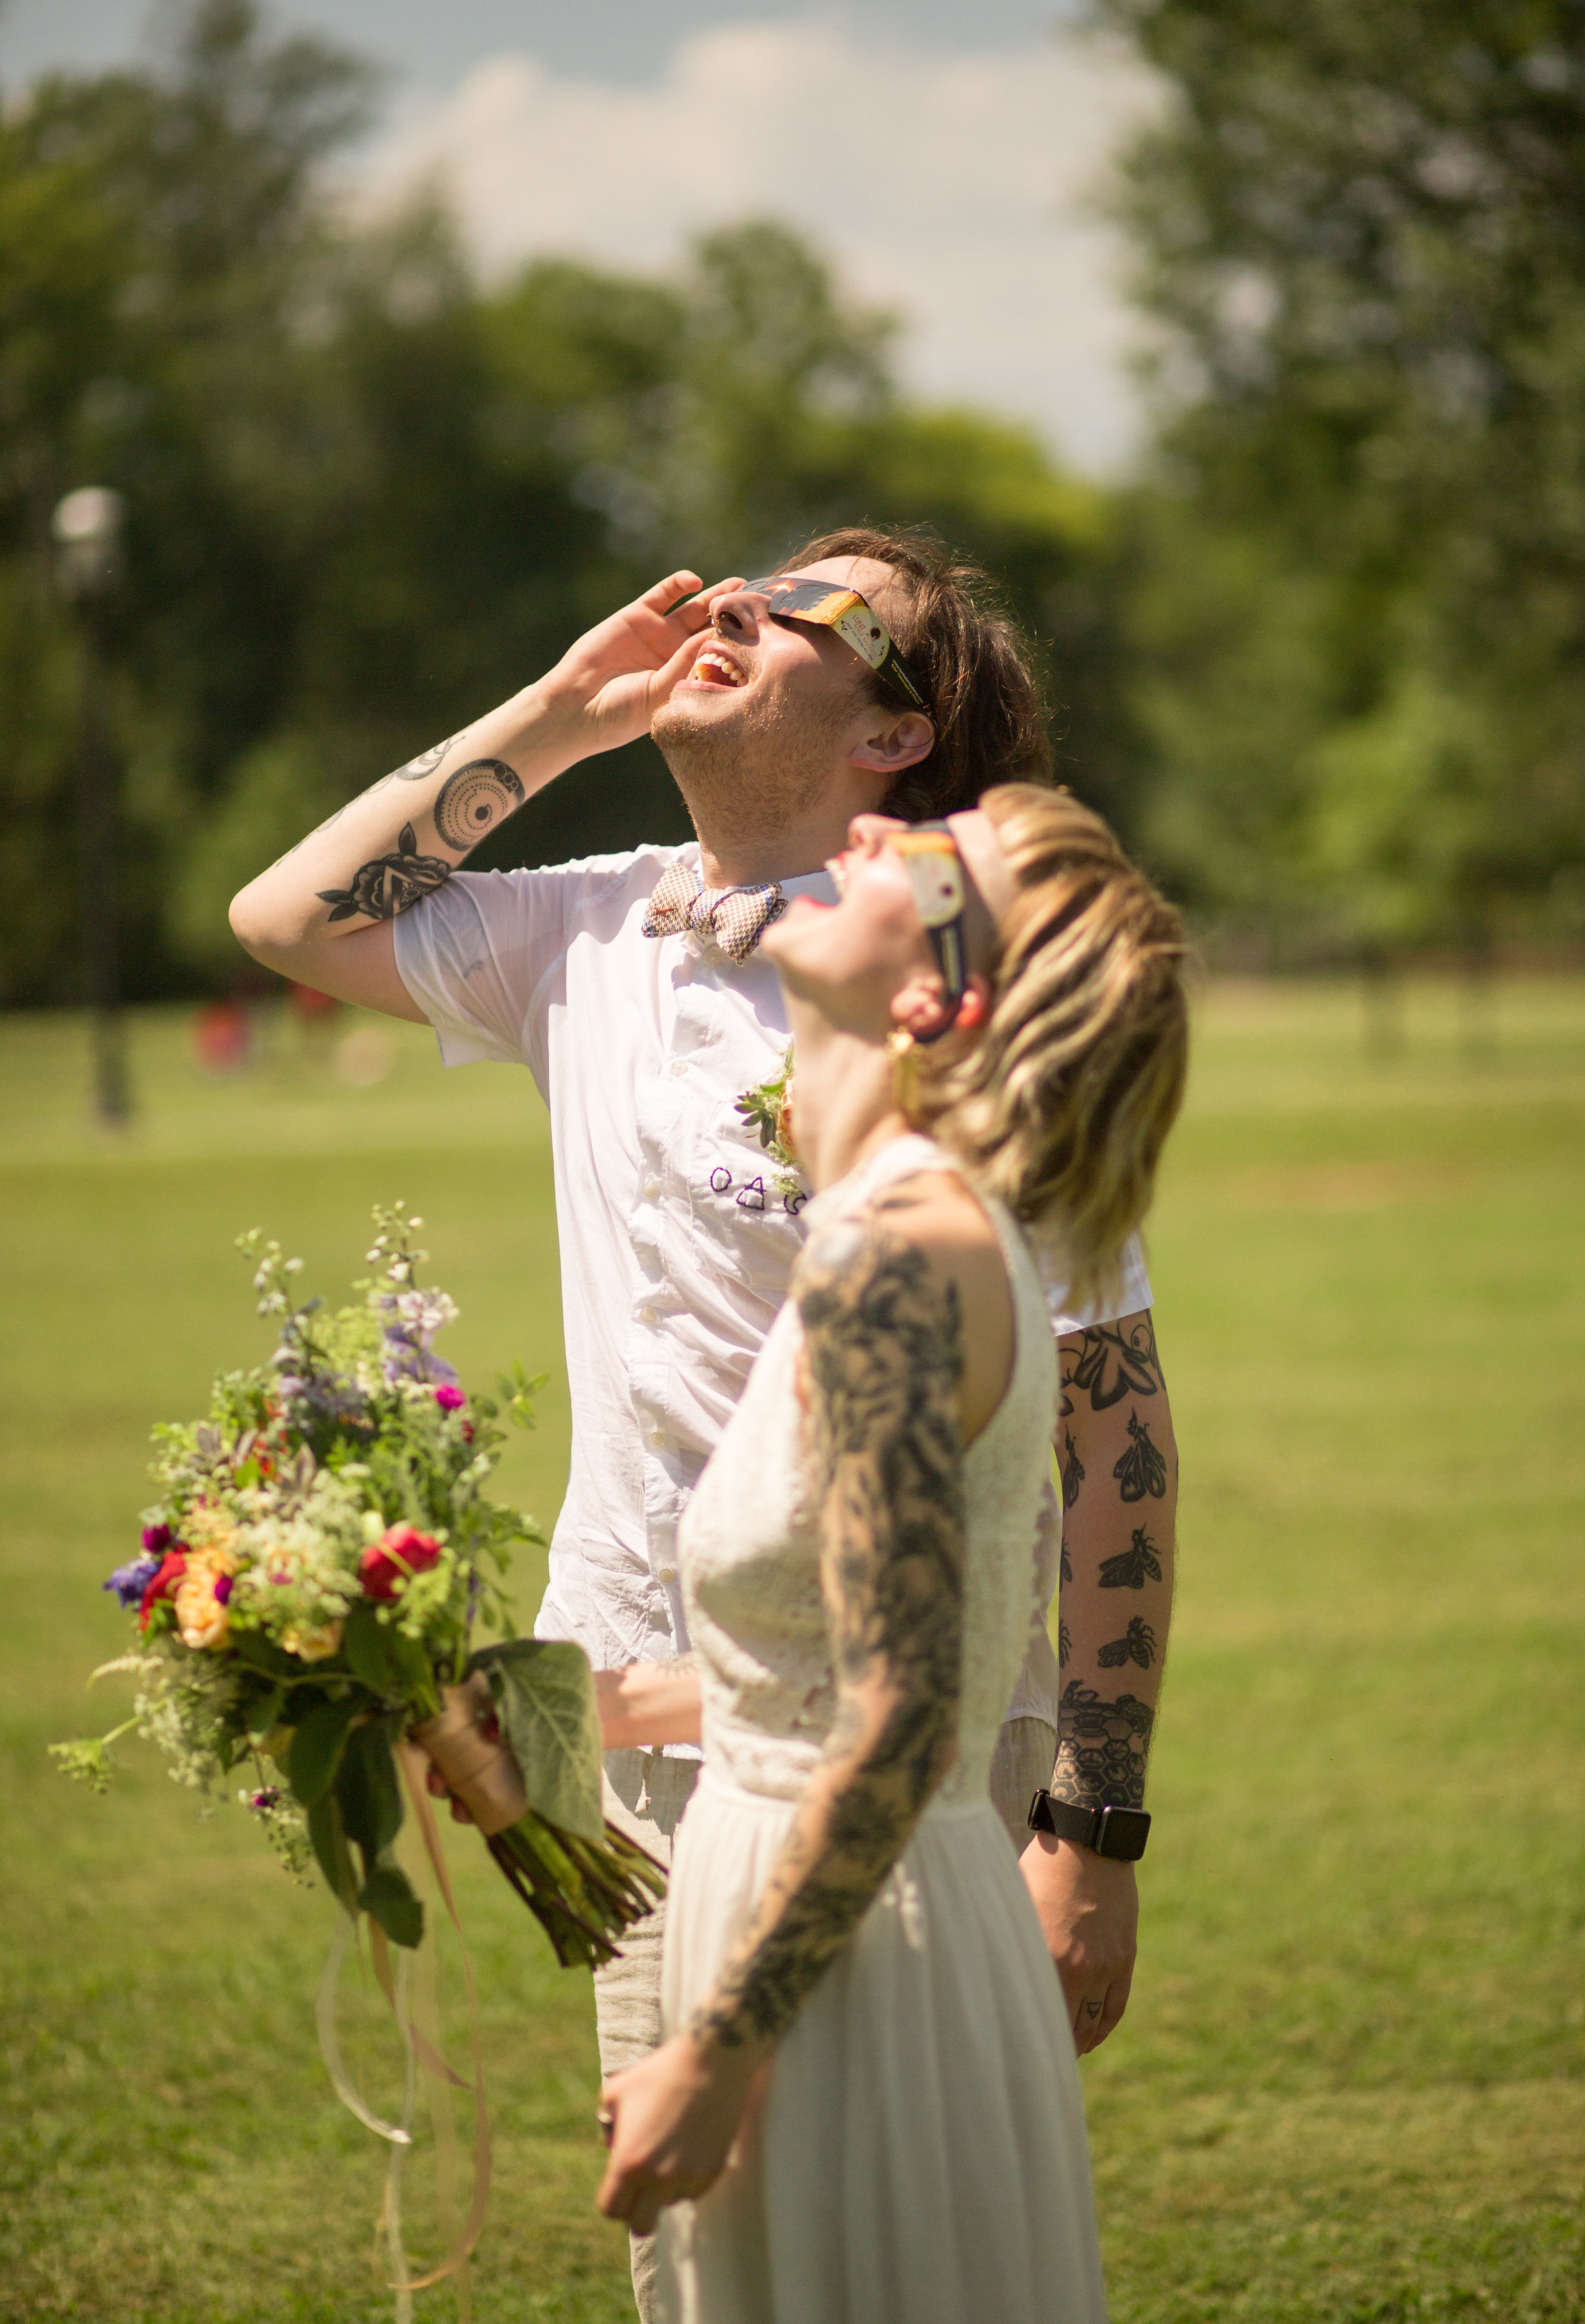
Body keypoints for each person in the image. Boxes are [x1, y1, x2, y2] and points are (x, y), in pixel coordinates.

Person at [229, 530, 1180, 2318]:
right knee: (704, 2259)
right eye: (736, 583)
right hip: (653, 1734)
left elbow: (1117, 1442)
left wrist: (1094, 1827)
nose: (727, 604)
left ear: (895, 740)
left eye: (800, 609)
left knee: (877, 2235)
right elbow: (285, 920)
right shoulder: (596, 924)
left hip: (905, 1752)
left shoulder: (960, 1045)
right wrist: (565, 713)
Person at [593, 788, 1188, 2322]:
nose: (866, 830)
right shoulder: (902, 1230)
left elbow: (908, 1713)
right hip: (838, 1917)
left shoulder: (899, 1261)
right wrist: (531, 1708)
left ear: (939, 996)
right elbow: (811, 1674)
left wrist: (721, 2052)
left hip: (858, 1970)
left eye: (923, 855)